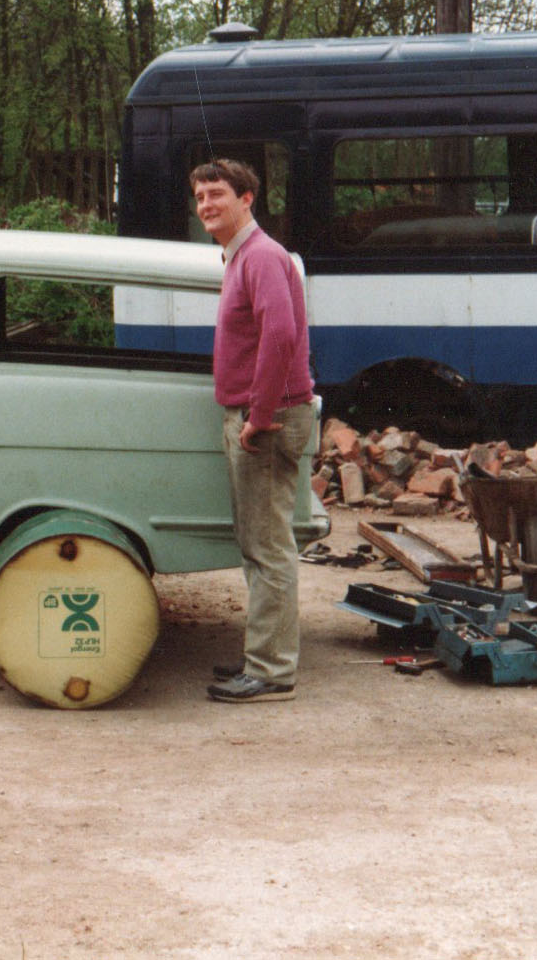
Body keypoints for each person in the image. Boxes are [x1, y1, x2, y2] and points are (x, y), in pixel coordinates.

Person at [194, 159, 315, 705]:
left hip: (266, 419)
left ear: (247, 198)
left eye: (217, 193)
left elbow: (281, 335)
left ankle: (271, 672)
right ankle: (262, 655)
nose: (206, 205)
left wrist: (259, 416)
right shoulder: (241, 255)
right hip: (256, 416)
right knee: (257, 546)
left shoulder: (262, 256)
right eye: (199, 196)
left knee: (268, 549)